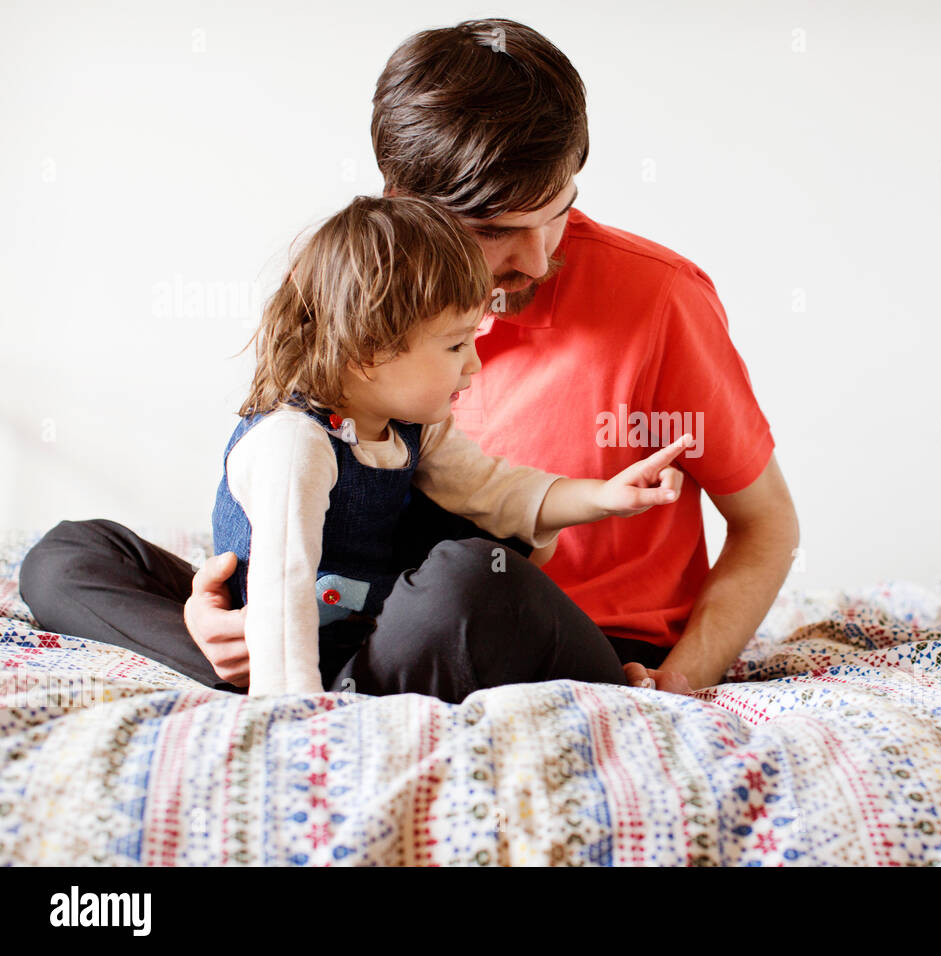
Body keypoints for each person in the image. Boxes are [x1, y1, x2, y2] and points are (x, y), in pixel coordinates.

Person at [25, 18, 798, 697]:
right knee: (67, 558)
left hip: (524, 624)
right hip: (359, 610)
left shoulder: (661, 298)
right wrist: (215, 604)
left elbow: (766, 527)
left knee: (464, 581)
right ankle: (299, 673)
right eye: (495, 230)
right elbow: (286, 487)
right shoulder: (343, 283)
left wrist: (678, 680)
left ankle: (307, 686)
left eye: (557, 210)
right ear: (402, 202)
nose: (534, 257)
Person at [209, 194, 690, 698]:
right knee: (115, 551)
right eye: (458, 344)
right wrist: (292, 709)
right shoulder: (294, 443)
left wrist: (605, 496)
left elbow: (495, 490)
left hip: (369, 638)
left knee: (479, 560)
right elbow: (283, 583)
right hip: (299, 661)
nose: (475, 365)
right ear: (368, 352)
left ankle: (608, 682)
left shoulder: (412, 426)